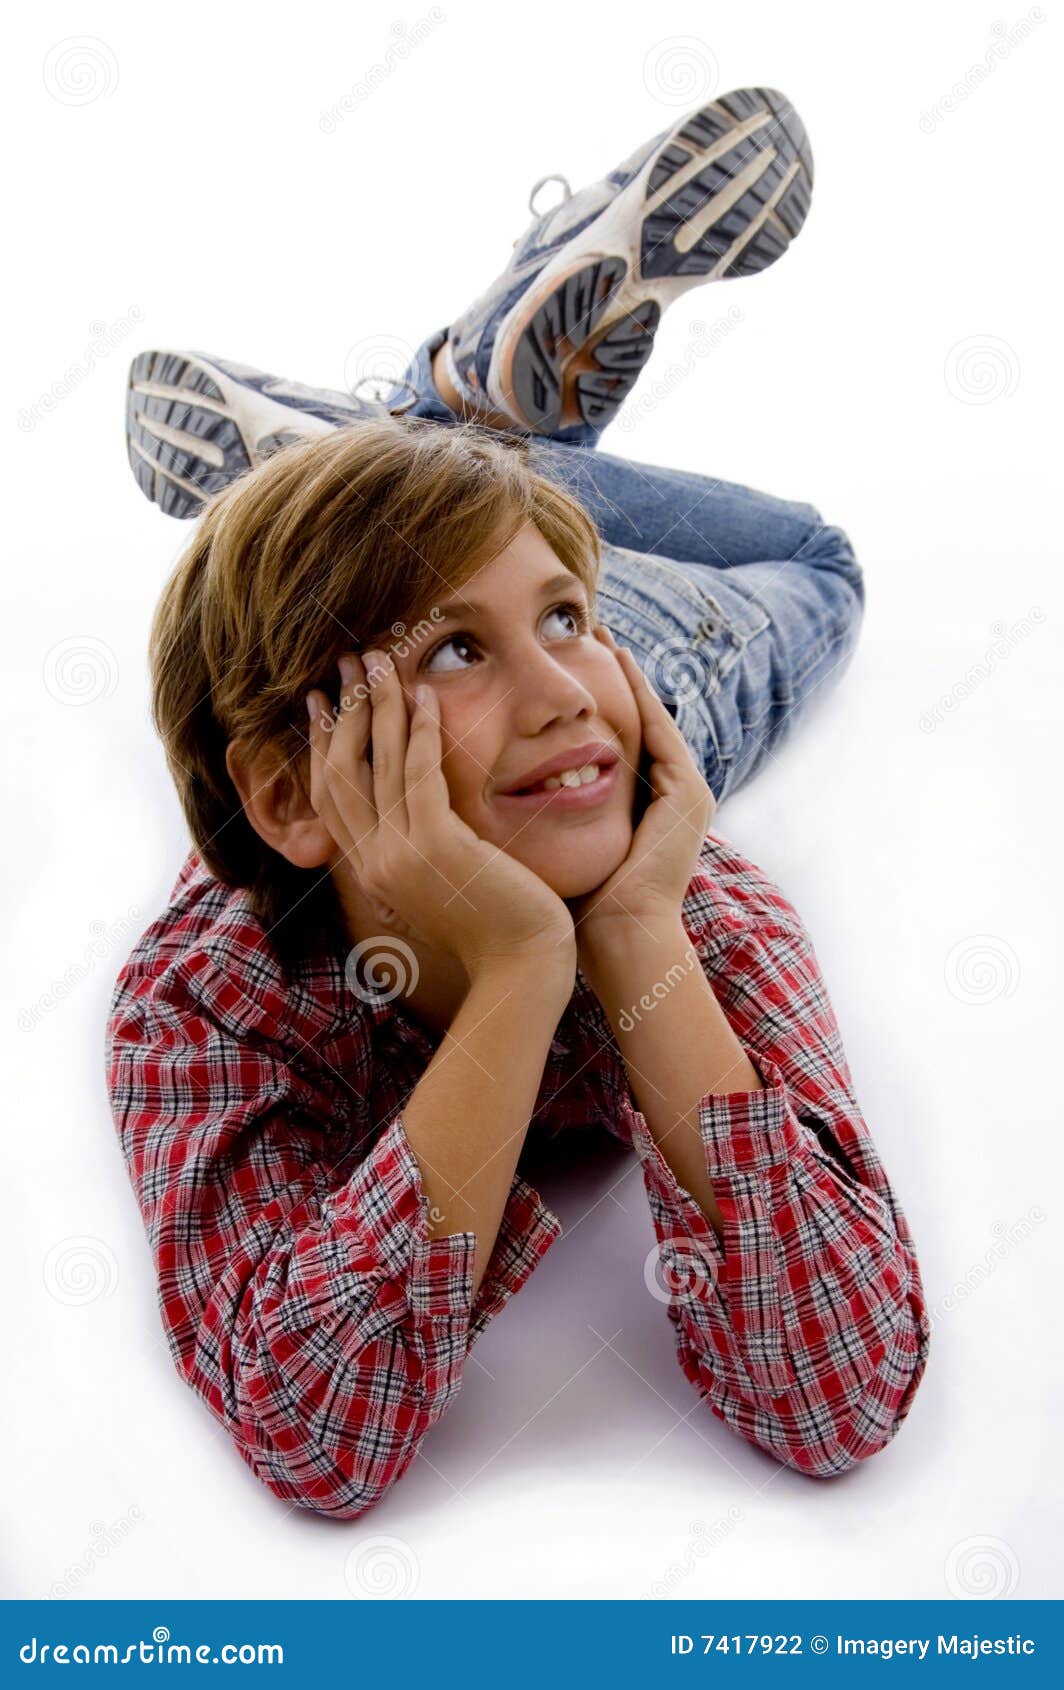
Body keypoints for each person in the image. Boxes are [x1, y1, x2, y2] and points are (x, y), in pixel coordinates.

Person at [106, 86, 930, 1521]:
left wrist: (627, 936)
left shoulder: (684, 887)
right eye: (454, 647)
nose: (556, 683)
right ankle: (437, 431)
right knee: (811, 568)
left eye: (559, 618)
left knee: (815, 569)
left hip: (660, 671)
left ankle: (411, 448)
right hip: (571, 745)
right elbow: (314, 1433)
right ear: (295, 794)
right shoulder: (206, 998)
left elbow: (838, 1391)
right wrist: (517, 971)